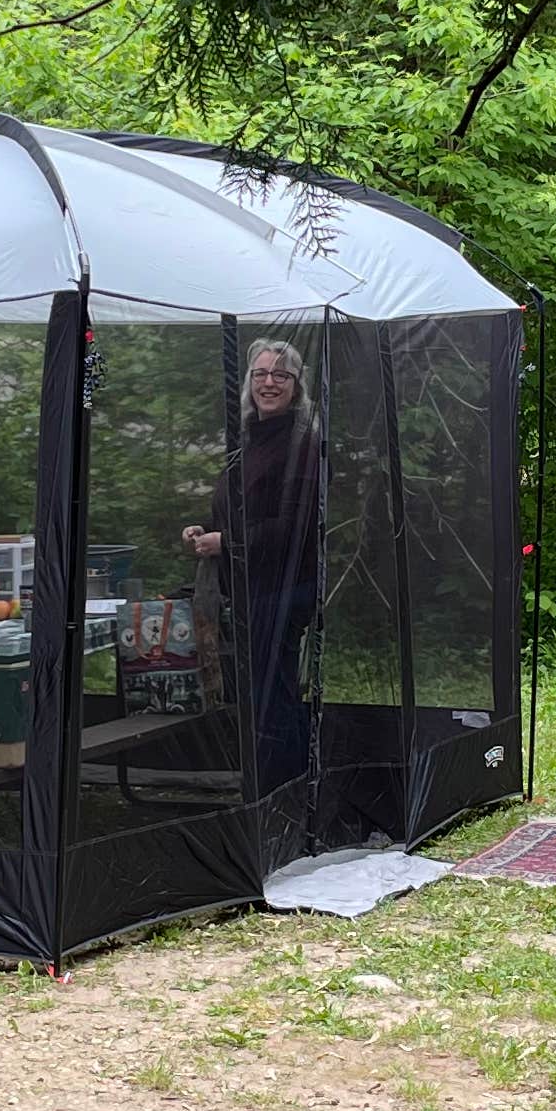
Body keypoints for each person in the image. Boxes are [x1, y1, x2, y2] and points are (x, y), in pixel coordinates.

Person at [182, 340, 321, 797]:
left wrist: (229, 542)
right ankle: (272, 787)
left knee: (273, 695)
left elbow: (294, 528)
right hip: (248, 587)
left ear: (297, 386)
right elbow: (241, 511)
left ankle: (290, 793)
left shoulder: (302, 443)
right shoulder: (249, 439)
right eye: (260, 373)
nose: (268, 382)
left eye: (281, 375)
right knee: (261, 692)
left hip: (284, 588)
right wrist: (206, 532)